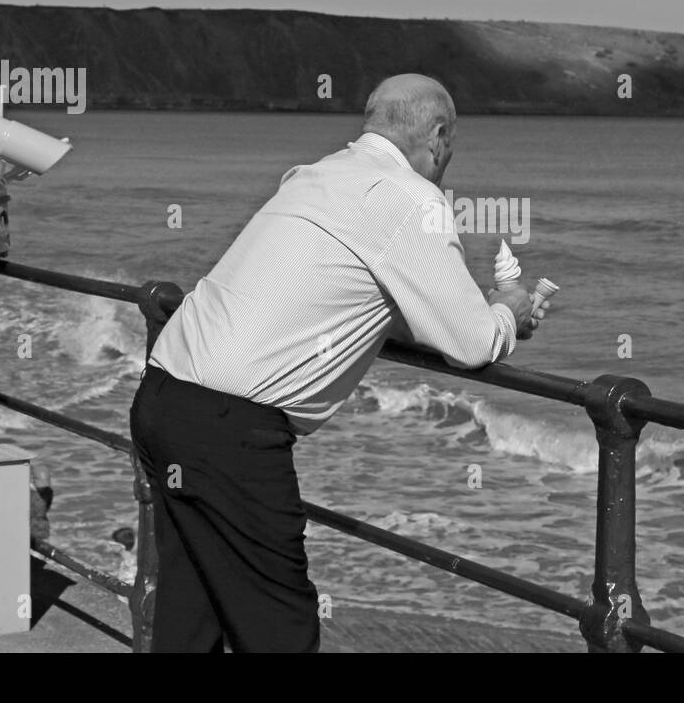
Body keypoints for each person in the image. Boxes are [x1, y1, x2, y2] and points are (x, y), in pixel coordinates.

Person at [130, 74, 548, 652]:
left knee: (191, 613)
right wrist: (509, 310)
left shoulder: (316, 175)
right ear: (438, 134)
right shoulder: (406, 196)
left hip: (163, 394)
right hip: (229, 434)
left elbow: (355, 291)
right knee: (282, 630)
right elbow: (473, 342)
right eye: (451, 145)